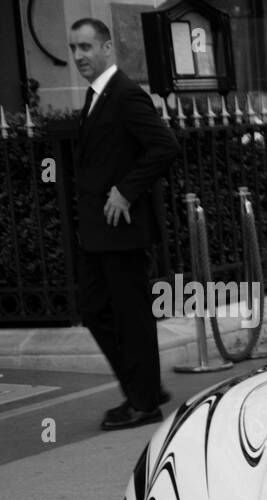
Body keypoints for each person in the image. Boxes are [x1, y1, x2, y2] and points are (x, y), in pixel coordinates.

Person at [69, 18, 179, 430]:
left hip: (122, 227)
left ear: (107, 47)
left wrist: (126, 190)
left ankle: (144, 401)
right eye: (74, 48)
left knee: (131, 315)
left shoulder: (126, 95)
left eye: (86, 47)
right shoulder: (97, 96)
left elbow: (165, 146)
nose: (79, 55)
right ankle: (142, 385)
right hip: (100, 232)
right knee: (94, 309)